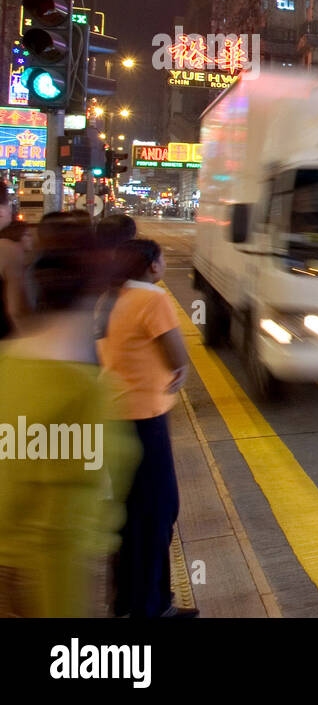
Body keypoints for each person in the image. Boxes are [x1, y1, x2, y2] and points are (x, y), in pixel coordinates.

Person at [0, 220, 139, 617]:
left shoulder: (7, 364)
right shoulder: (82, 392)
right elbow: (61, 535)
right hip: (43, 585)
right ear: (97, 285)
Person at [99, 238, 195, 618]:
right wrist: (182, 369)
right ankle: (151, 606)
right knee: (157, 511)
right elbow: (177, 355)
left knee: (130, 513)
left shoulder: (112, 297)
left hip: (114, 413)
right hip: (146, 417)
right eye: (163, 258)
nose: (165, 263)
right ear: (152, 265)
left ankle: (127, 601)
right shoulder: (152, 299)